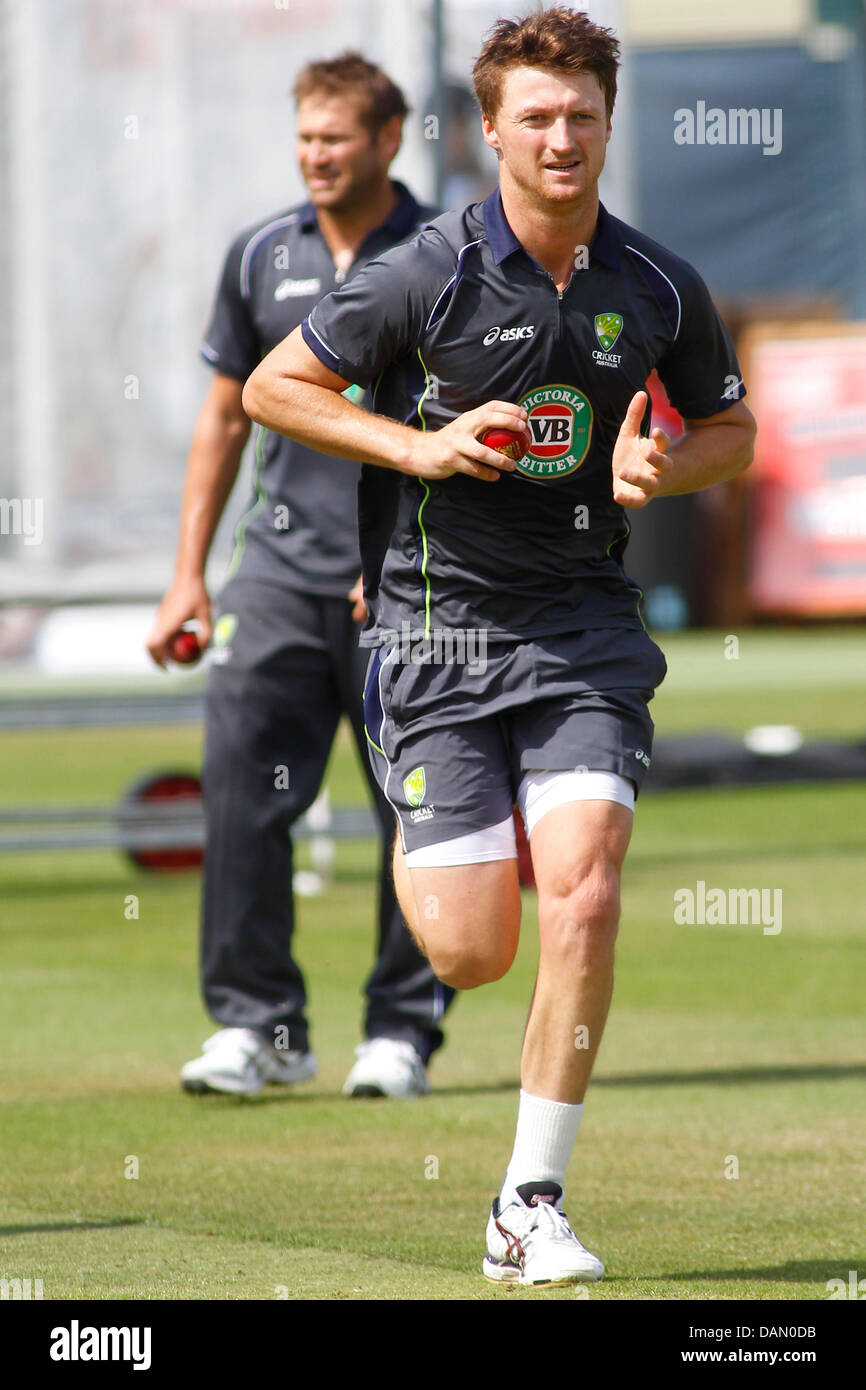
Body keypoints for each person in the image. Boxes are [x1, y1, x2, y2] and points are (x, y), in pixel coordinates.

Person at [242, 8, 756, 1284]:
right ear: (489, 130)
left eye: (581, 113)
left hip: (582, 630)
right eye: (535, 115)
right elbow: (272, 389)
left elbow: (728, 431)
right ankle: (438, 863)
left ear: (607, 121)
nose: (562, 135)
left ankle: (528, 1200)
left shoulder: (655, 283)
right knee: (473, 949)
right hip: (433, 635)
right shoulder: (425, 271)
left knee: (584, 886)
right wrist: (415, 443)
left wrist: (664, 460)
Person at [146, 53, 454, 1101]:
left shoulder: (445, 252)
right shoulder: (260, 254)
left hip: (404, 583)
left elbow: (455, 423)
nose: (315, 157)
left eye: (335, 138)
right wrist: (187, 576)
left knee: (413, 808)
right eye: (304, 139)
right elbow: (225, 416)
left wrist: (411, 558)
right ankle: (259, 1027)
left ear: (386, 138)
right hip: (273, 577)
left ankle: (400, 1032)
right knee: (241, 795)